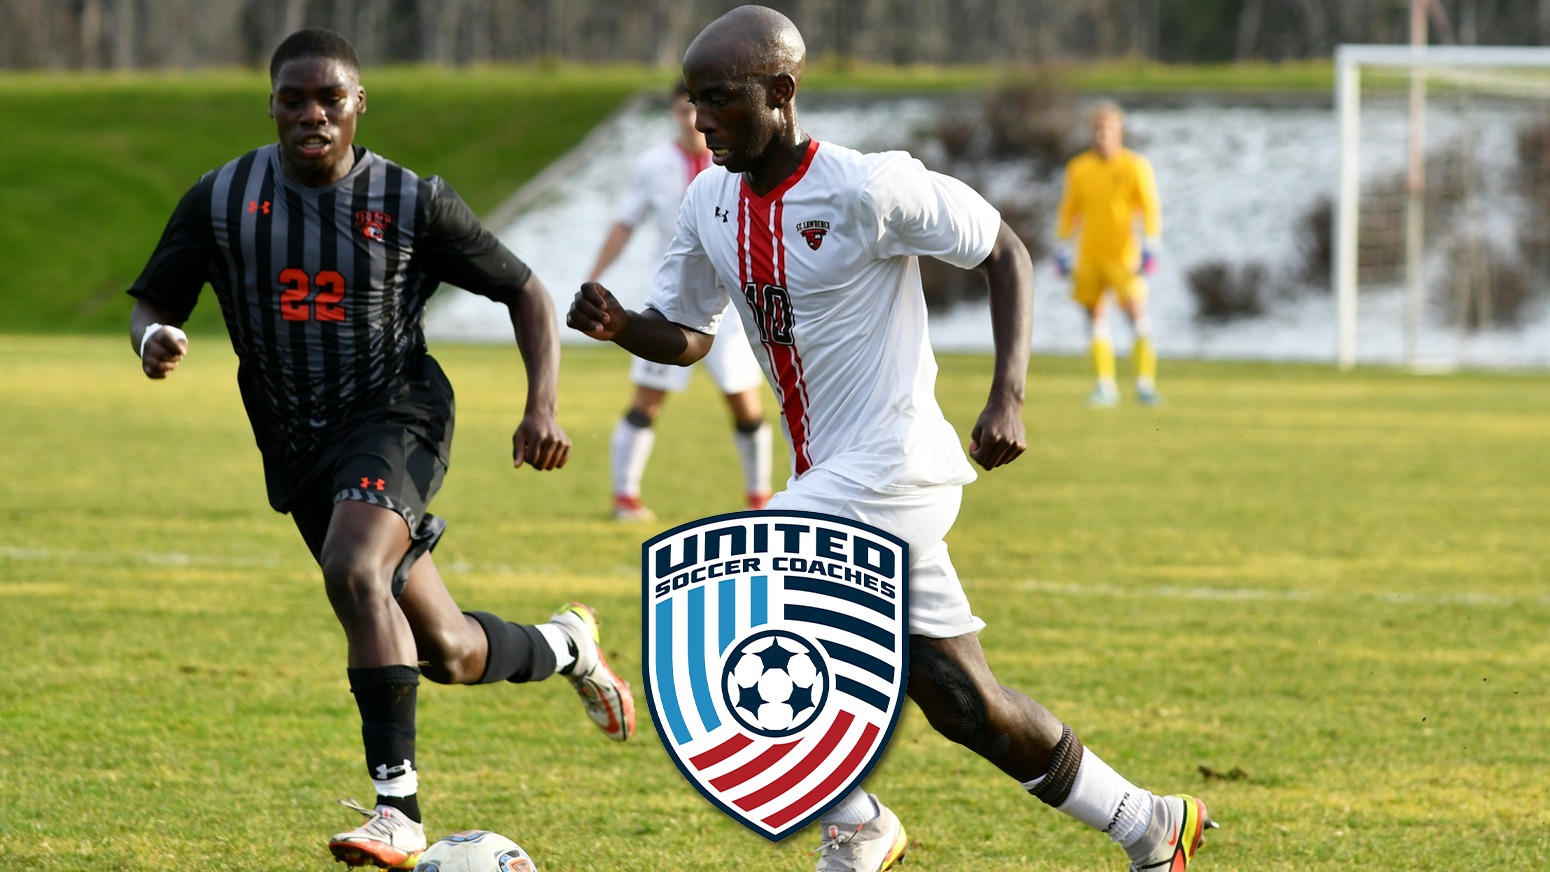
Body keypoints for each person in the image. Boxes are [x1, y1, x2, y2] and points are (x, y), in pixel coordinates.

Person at [567, 7, 1214, 872]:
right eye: (693, 99)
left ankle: (857, 821)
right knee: (964, 702)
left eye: (719, 98)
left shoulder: (869, 188)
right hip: (837, 476)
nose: (701, 118)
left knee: (731, 597)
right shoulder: (708, 200)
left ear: (781, 92)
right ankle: (1149, 823)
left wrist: (1008, 397)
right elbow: (688, 332)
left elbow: (1005, 251)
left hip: (895, 464)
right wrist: (622, 326)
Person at [128, 28, 634, 870]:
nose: (313, 115)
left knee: (355, 567)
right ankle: (568, 646)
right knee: (450, 651)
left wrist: (541, 406)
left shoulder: (410, 200)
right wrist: (153, 340)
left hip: (398, 415)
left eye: (330, 98)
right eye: (294, 99)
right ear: (271, 106)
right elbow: (153, 302)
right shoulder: (222, 200)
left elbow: (525, 290)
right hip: (298, 444)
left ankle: (397, 810)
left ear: (359, 103)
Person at [587, 83, 772, 522]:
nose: (691, 120)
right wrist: (594, 276)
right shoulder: (653, 164)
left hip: (731, 303)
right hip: (670, 300)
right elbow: (625, 222)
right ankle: (625, 498)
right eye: (682, 111)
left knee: (744, 402)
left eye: (698, 110)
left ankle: (760, 498)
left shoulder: (738, 162)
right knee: (647, 398)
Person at [1054, 100, 1163, 408]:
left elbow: (1150, 208)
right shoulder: (1079, 168)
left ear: (1119, 132)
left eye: (1107, 130)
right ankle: (1105, 385)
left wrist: (1151, 246)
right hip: (1089, 255)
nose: (1101, 136)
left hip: (1124, 256)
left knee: (1136, 316)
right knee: (1095, 319)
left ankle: (1144, 384)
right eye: (1097, 130)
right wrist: (1062, 248)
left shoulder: (1134, 166)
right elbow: (1069, 211)